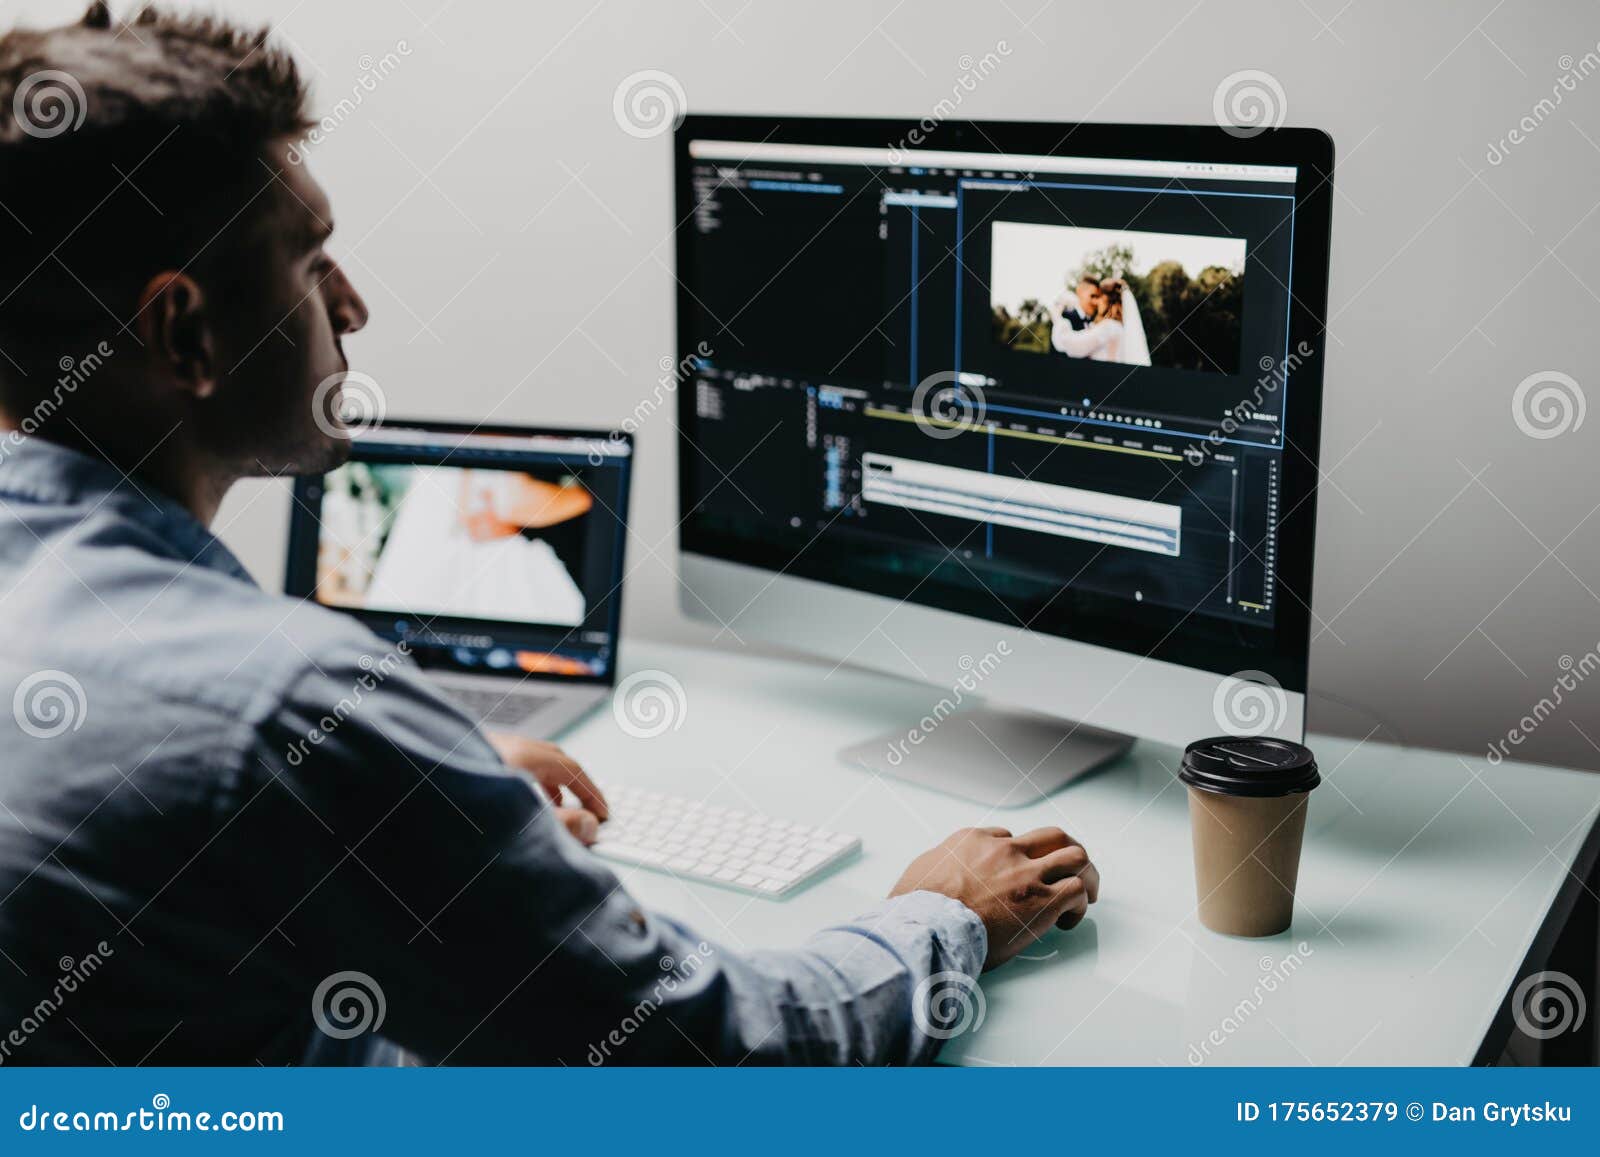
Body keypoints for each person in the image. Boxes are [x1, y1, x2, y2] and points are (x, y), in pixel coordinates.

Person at [0, 4, 1099, 1065]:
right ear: (182, 330)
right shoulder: (283, 708)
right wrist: (936, 914)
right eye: (308, 257)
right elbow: (711, 1061)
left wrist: (415, 796)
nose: (352, 305)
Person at [1049, 276, 1152, 366]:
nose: (1096, 302)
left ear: (1107, 299)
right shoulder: (1120, 328)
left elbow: (1072, 345)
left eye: (1099, 297)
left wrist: (1057, 318)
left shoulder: (1109, 327)